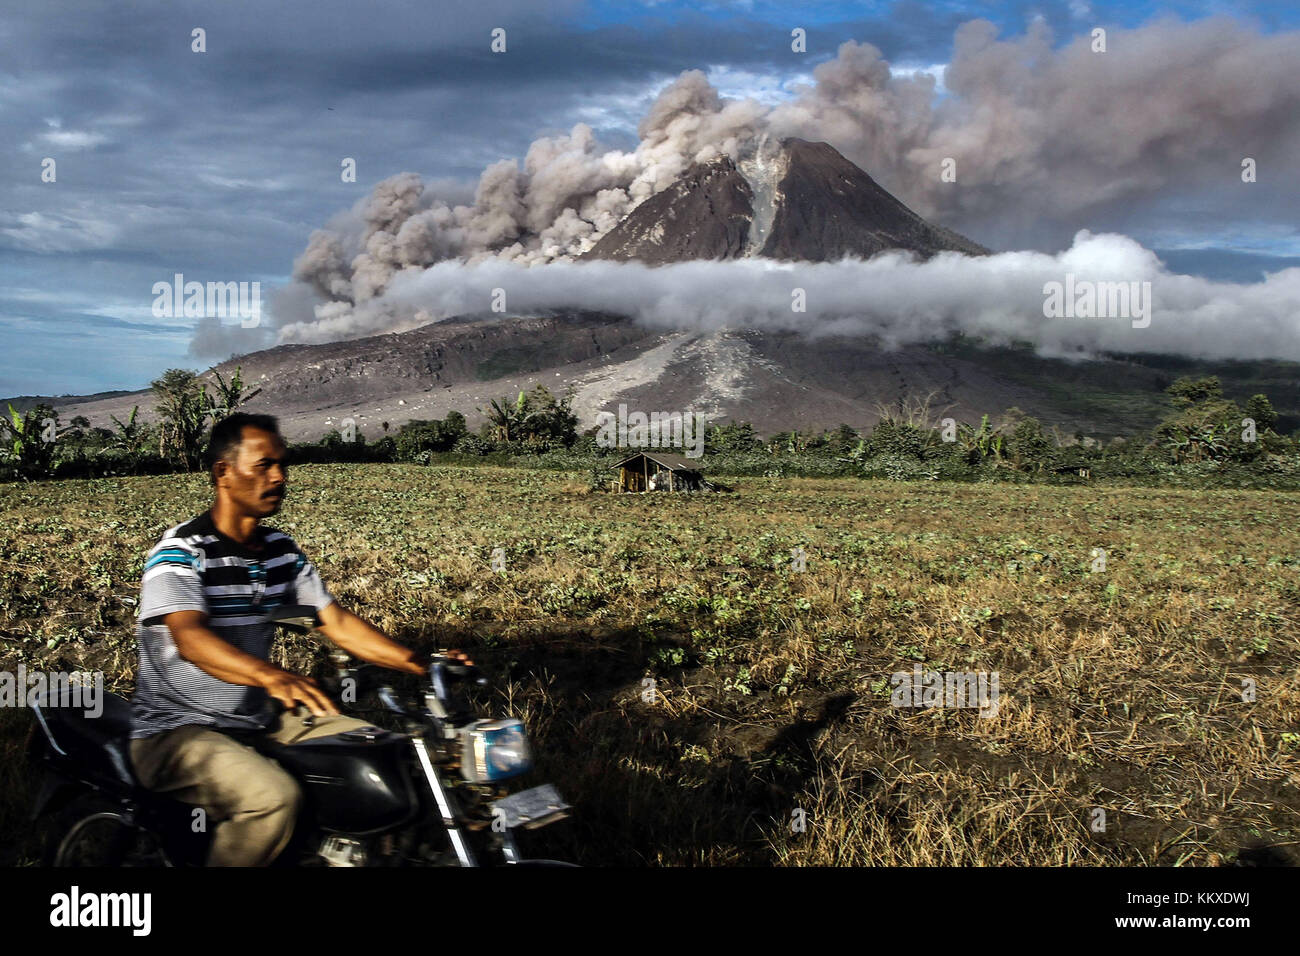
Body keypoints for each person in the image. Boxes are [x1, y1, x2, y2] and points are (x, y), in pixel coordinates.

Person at [128, 412, 469, 866]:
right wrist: (270, 677)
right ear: (223, 473)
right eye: (263, 465)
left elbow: (335, 622)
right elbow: (190, 638)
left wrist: (422, 663)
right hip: (177, 730)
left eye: (282, 465)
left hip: (258, 718)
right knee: (271, 800)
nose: (279, 477)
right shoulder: (182, 551)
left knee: (392, 760)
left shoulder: (279, 552)